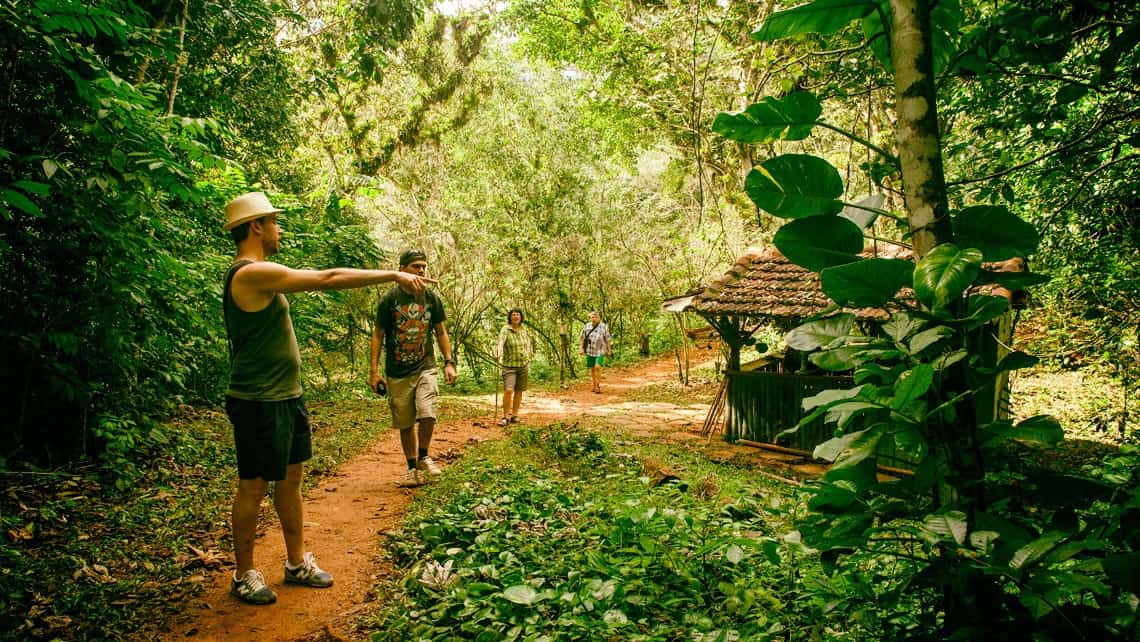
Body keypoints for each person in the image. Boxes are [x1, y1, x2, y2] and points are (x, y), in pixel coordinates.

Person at [221, 191, 432, 606]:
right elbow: (327, 278)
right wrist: (392, 275)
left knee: (291, 480)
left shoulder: (260, 273)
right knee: (253, 484)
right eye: (274, 222)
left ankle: (296, 562)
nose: (279, 229)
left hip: (287, 396)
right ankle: (243, 573)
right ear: (256, 227)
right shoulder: (249, 274)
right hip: (258, 400)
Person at [370, 249, 458, 489]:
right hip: (397, 370)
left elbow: (441, 331)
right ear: (402, 270)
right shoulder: (389, 300)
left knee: (427, 412)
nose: (421, 271)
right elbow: (378, 335)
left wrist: (449, 362)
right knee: (405, 421)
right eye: (415, 266)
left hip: (425, 365)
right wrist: (374, 372)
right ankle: (411, 469)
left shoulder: (430, 297)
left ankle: (424, 455)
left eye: (423, 267)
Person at [494, 308, 534, 426]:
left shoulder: (524, 329)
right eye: (513, 315)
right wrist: (498, 352)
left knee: (519, 391)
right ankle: (506, 416)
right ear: (510, 317)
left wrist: (529, 353)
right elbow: (501, 342)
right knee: (508, 390)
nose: (516, 317)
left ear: (521, 317)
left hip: (523, 365)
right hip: (509, 366)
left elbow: (527, 342)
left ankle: (515, 415)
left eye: (518, 315)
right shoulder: (505, 329)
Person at [580, 310, 612, 393]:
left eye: (595, 317)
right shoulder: (587, 326)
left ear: (599, 318)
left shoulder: (604, 326)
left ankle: (597, 386)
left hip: (600, 349)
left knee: (597, 367)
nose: (594, 319)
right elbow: (582, 338)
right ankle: (594, 385)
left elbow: (608, 339)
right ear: (590, 318)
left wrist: (609, 350)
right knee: (592, 368)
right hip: (590, 350)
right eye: (592, 317)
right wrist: (581, 348)